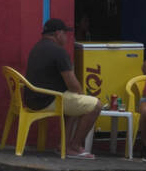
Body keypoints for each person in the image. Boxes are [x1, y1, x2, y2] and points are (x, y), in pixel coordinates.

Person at [24, 18, 104, 159]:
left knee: (73, 104)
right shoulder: (58, 52)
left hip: (32, 99)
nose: (67, 37)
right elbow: (73, 85)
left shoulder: (36, 48)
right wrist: (82, 95)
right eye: (65, 34)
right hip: (46, 100)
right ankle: (74, 147)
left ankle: (63, 146)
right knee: (95, 106)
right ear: (58, 33)